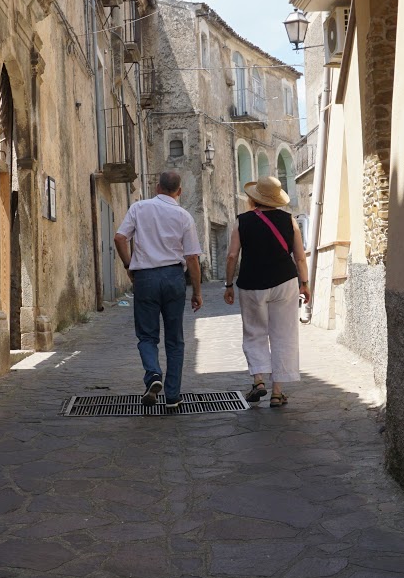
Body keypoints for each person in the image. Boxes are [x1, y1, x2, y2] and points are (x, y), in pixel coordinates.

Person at [115, 170, 203, 410]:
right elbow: (192, 257)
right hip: (174, 277)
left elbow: (120, 238)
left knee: (146, 335)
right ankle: (173, 395)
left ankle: (153, 374)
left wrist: (128, 265)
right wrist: (196, 291)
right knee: (175, 339)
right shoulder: (184, 216)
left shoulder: (139, 208)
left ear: (157, 188)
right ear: (180, 191)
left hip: (145, 278)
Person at [223, 176, 309, 408]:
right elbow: (299, 256)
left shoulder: (242, 221)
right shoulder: (289, 221)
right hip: (285, 282)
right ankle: (277, 393)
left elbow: (232, 256)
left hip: (251, 283)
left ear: (254, 198)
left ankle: (258, 381)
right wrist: (305, 283)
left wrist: (229, 284)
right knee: (284, 334)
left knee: (254, 332)